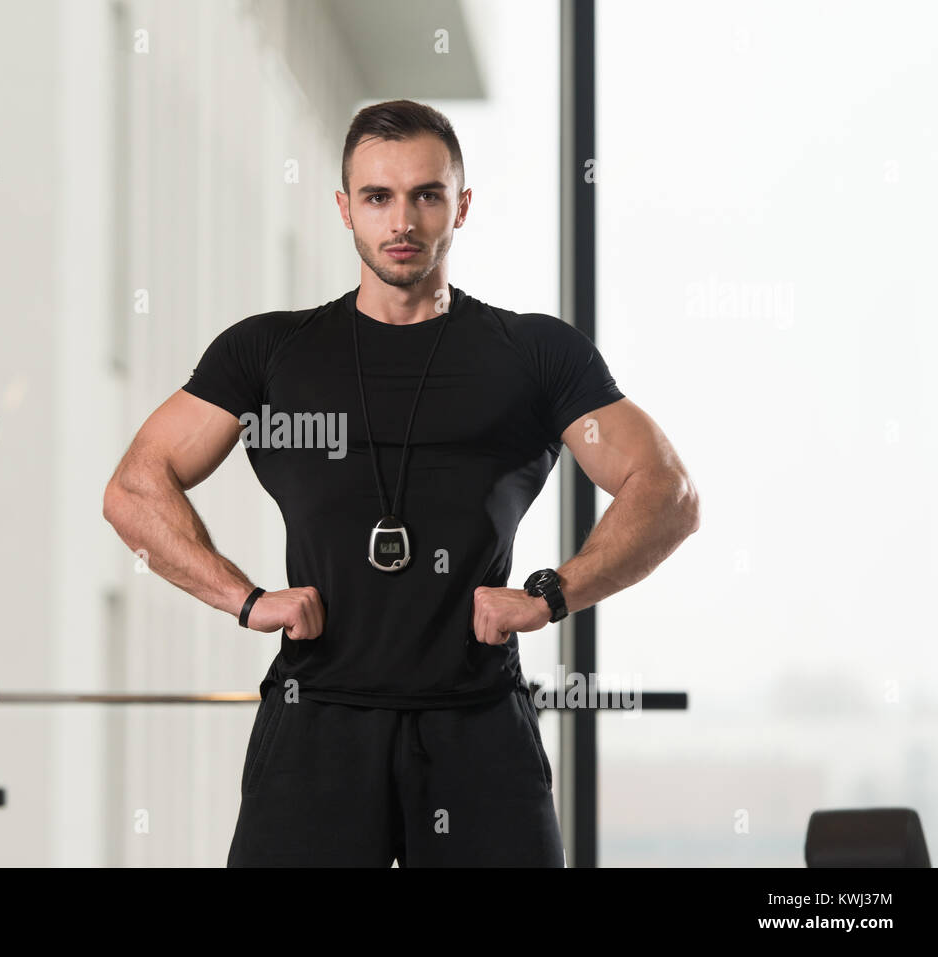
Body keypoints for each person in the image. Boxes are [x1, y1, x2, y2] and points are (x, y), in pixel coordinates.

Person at [101, 99, 700, 866]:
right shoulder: (269, 353)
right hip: (316, 720)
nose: (403, 221)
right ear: (345, 208)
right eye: (378, 197)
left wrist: (552, 594)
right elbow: (134, 487)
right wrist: (245, 598)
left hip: (478, 724)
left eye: (427, 194)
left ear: (463, 205)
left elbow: (668, 491)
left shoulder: (534, 355)